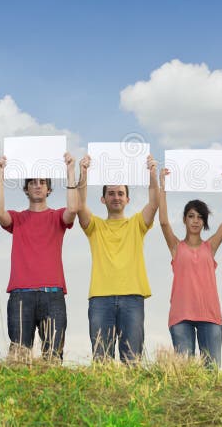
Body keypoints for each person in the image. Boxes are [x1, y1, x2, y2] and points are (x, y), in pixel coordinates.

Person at [0, 153, 77, 362]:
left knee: (53, 357)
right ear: (26, 188)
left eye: (42, 182)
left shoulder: (57, 216)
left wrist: (70, 171)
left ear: (49, 189)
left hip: (53, 295)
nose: (38, 185)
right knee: (19, 357)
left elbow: (73, 208)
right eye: (33, 182)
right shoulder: (18, 219)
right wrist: (0, 175)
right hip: (21, 295)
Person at [77, 154, 159, 363]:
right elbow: (79, 205)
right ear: (103, 199)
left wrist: (152, 174)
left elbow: (154, 202)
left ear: (127, 199)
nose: (116, 197)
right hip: (100, 299)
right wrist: (83, 174)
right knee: (101, 360)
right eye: (111, 193)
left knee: (132, 360)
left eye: (121, 193)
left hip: (132, 298)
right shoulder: (95, 226)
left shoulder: (137, 224)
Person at [158, 165, 222, 367]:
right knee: (185, 374)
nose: (195, 220)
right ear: (184, 219)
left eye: (200, 217)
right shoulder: (176, 247)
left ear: (204, 222)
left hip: (209, 315)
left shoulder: (210, 247)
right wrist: (162, 188)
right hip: (181, 315)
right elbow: (164, 222)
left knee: (211, 372)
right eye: (191, 216)